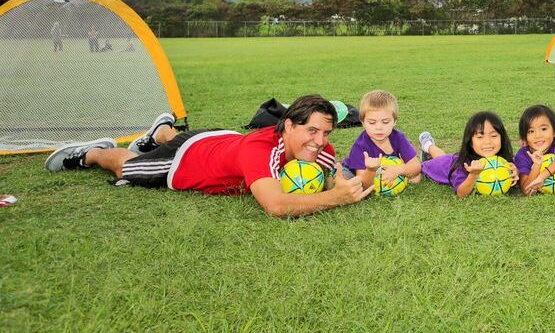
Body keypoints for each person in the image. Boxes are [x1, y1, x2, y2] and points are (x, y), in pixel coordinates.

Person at [44, 96, 371, 218]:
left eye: (326, 133)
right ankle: (92, 152)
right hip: (187, 159)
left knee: (168, 142)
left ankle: (162, 132)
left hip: (220, 139)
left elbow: (338, 174)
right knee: (127, 169)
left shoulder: (321, 150)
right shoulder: (261, 150)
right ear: (287, 126)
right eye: (311, 131)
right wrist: (336, 199)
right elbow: (276, 205)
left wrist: (372, 175)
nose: (320, 142)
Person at [419, 111, 515, 198]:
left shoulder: (503, 159)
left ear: (502, 138)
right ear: (470, 142)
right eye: (480, 137)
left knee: (442, 156)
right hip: (439, 166)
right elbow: (461, 194)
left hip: (449, 159)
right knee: (440, 160)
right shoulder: (462, 165)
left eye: (493, 136)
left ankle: (428, 143)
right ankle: (427, 144)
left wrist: (516, 172)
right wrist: (473, 174)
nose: (487, 142)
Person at [341, 90, 421, 188]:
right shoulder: (360, 146)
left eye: (385, 122)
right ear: (363, 122)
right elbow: (364, 184)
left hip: (387, 169)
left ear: (394, 122)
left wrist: (398, 170)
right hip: (356, 172)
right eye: (372, 122)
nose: (379, 127)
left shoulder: (398, 137)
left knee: (416, 178)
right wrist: (371, 170)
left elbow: (416, 166)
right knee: (349, 184)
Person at [513, 104, 555, 196]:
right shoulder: (523, 155)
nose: (538, 135)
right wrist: (537, 165)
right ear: (525, 138)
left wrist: (542, 176)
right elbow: (526, 190)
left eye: (543, 129)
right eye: (531, 131)